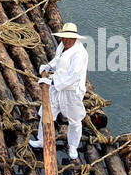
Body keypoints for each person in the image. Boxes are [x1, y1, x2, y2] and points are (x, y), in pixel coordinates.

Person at [29, 22, 88, 162]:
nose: (66, 41)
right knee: (46, 112)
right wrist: (49, 66)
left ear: (75, 39)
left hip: (71, 92)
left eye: (69, 38)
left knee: (74, 120)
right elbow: (58, 60)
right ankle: (42, 140)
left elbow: (74, 76)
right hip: (57, 87)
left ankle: (73, 146)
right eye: (64, 38)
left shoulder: (80, 54)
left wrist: (53, 82)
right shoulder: (62, 46)